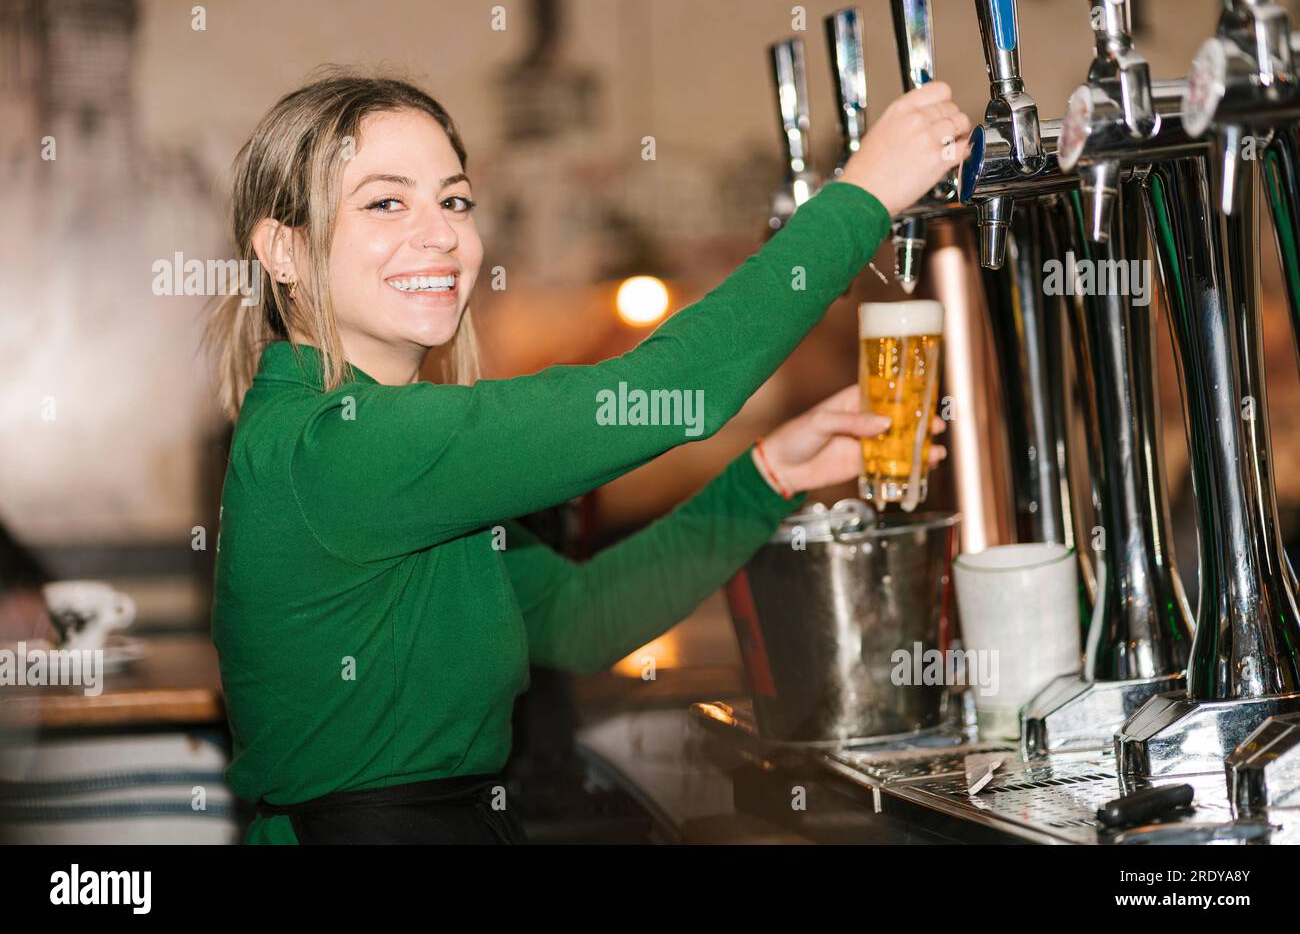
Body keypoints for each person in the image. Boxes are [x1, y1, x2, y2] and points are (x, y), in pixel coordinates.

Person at [207, 70, 970, 844]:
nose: (439, 233)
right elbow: (670, 389)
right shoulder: (337, 446)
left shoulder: (386, 460)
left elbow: (581, 619)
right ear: (285, 250)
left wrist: (767, 476)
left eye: (455, 199)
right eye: (385, 201)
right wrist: (863, 195)